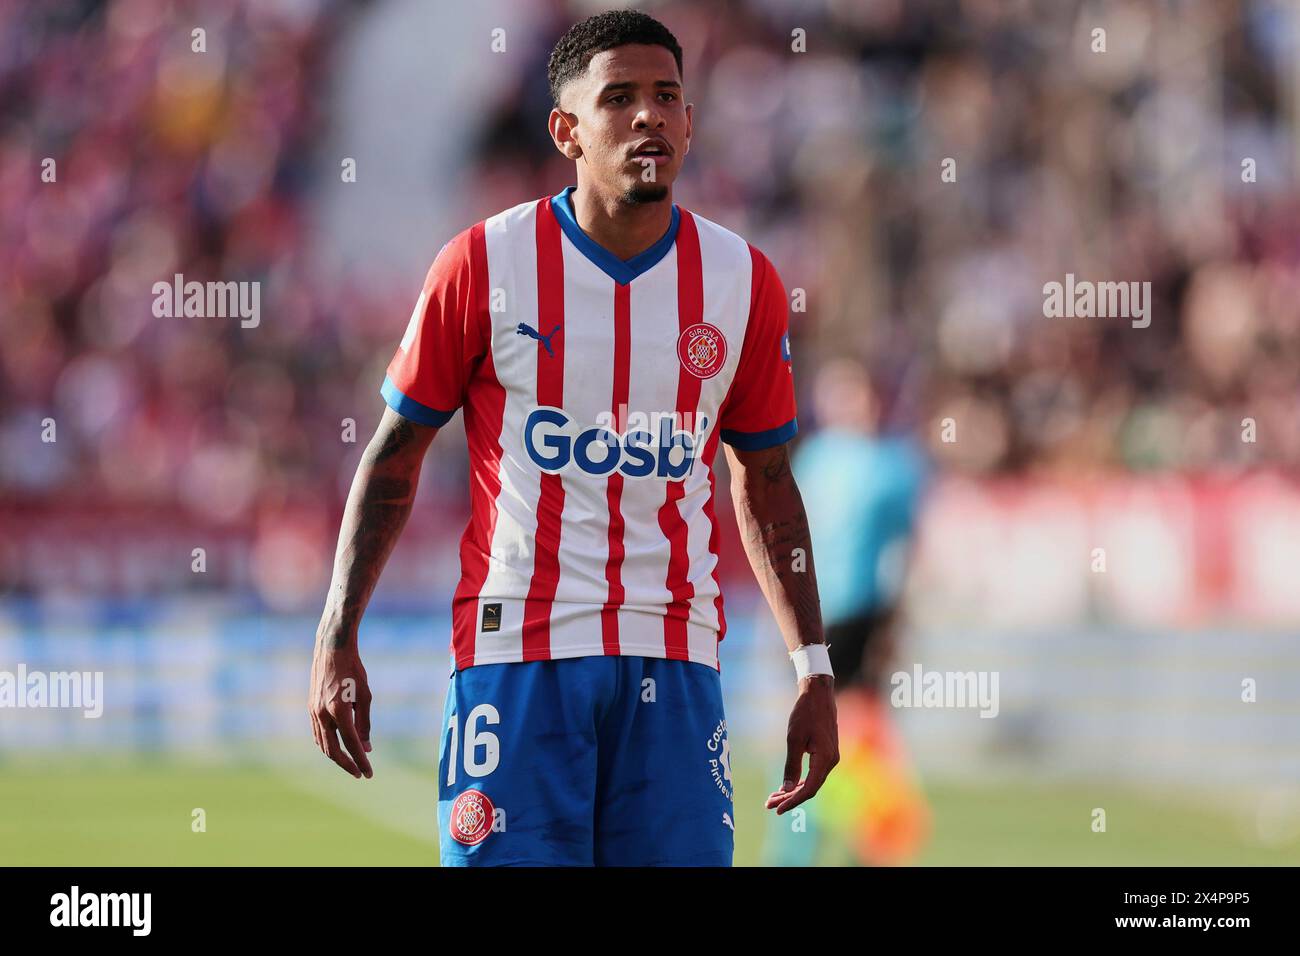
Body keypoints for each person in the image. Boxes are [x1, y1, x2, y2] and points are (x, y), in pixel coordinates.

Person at [307, 9, 838, 866]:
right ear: (566, 130)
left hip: (674, 659)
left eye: (667, 97)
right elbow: (393, 460)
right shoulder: (484, 264)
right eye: (619, 98)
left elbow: (767, 482)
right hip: (518, 655)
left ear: (691, 123)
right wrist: (338, 635)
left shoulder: (742, 280)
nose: (647, 117)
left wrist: (811, 666)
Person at [764, 357, 930, 865]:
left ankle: (857, 837)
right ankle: (815, 839)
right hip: (808, 614)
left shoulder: (893, 467)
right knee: (828, 732)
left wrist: (895, 623)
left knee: (853, 732)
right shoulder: (812, 459)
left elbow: (906, 551)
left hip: (858, 618)